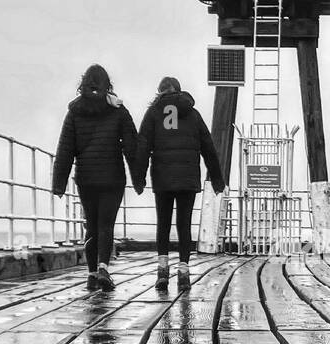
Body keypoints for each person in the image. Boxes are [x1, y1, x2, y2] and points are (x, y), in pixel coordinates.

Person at [51, 64, 139, 292]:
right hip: (112, 177)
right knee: (106, 225)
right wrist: (138, 177)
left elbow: (65, 150)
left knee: (91, 225)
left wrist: (59, 184)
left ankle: (91, 274)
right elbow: (132, 146)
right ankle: (103, 268)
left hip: (86, 178)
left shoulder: (74, 112)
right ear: (107, 84)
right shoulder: (118, 110)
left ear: (83, 84)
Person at [133, 76, 225, 291]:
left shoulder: (154, 113)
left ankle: (162, 272)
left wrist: (139, 178)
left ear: (160, 92)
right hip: (187, 177)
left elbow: (142, 147)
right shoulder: (192, 114)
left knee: (163, 223)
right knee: (184, 224)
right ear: (179, 91)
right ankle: (183, 272)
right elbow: (208, 148)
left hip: (163, 178)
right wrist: (217, 179)